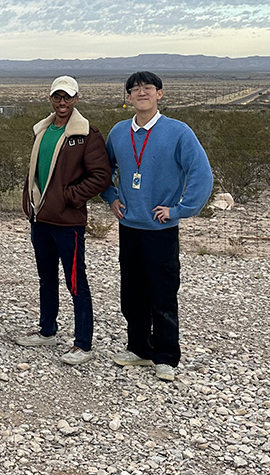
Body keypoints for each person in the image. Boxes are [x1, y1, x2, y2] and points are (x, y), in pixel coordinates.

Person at [102, 71, 213, 381]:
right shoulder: (119, 133)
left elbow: (201, 174)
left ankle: (165, 355)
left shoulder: (178, 132)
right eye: (134, 89)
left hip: (161, 229)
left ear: (160, 94)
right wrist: (110, 197)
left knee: (162, 292)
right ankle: (138, 349)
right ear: (127, 97)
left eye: (147, 88)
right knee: (132, 291)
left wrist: (181, 209)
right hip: (129, 226)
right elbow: (104, 169)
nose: (141, 93)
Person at [17, 76, 112, 365]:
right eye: (57, 97)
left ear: (76, 99)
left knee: (75, 282)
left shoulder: (86, 134)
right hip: (41, 218)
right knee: (46, 278)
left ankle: (83, 343)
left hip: (68, 222)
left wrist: (69, 196)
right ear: (50, 99)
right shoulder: (42, 131)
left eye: (67, 97)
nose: (62, 102)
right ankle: (48, 331)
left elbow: (101, 175)